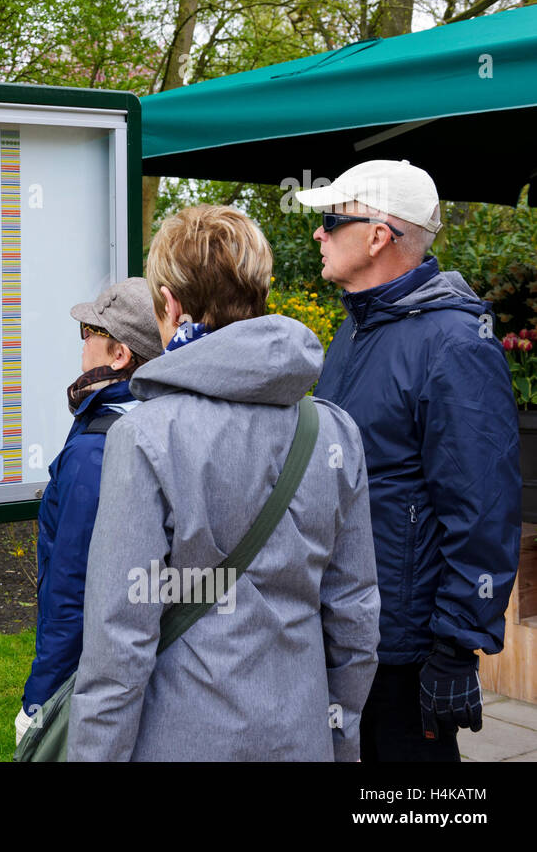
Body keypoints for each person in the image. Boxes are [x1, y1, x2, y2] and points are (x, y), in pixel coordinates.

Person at [67, 204, 380, 761]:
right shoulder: (333, 430)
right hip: (300, 735)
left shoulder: (144, 437)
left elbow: (118, 645)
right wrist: (338, 736)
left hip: (183, 739)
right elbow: (354, 615)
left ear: (168, 305)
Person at [299, 159, 522, 762]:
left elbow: (483, 507)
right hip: (345, 630)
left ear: (377, 235)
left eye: (330, 220)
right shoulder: (354, 332)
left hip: (406, 650)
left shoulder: (453, 344)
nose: (318, 233)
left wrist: (456, 647)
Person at [15, 277, 164, 747]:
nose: (81, 348)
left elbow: (72, 589)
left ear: (119, 356)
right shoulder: (160, 420)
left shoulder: (95, 451)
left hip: (96, 671)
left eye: (89, 335)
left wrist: (38, 704)